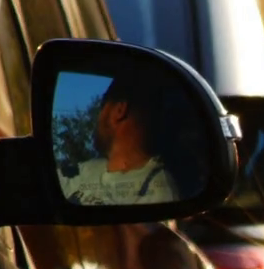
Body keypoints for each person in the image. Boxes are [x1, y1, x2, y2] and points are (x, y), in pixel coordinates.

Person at [60, 77, 178, 206]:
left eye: (102, 105)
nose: (97, 118)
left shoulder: (158, 192)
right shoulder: (83, 170)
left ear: (119, 110)